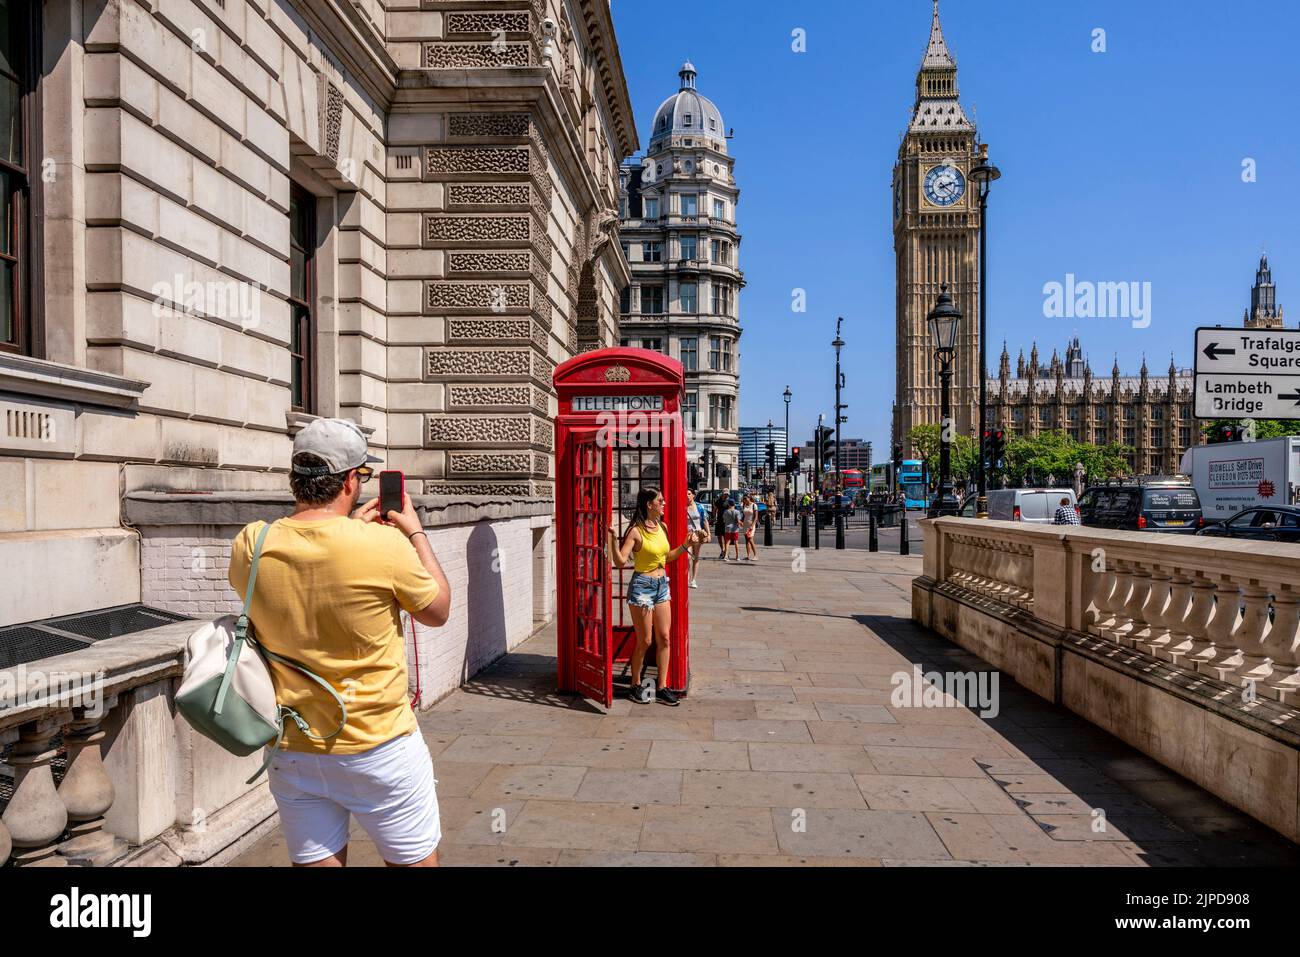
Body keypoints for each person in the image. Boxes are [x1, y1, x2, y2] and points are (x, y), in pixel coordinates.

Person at [228, 418, 452, 868]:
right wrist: (414, 531)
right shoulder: (383, 545)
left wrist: (349, 528)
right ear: (351, 480)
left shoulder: (252, 542)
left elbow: (307, 577)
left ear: (295, 477)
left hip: (293, 749)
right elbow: (437, 609)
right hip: (379, 745)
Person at [606, 487, 702, 705]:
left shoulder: (663, 527)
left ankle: (662, 686)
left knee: (665, 638)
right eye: (660, 500)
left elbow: (666, 558)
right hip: (642, 588)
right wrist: (612, 539)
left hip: (661, 586)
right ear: (650, 505)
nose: (664, 503)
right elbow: (620, 561)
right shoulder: (636, 531)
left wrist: (685, 545)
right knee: (645, 640)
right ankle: (635, 685)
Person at [684, 488, 708, 588]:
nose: (687, 496)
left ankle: (693, 580)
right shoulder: (683, 507)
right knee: (687, 557)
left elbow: (705, 520)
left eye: (689, 494)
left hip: (698, 533)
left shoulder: (699, 506)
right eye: (686, 494)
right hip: (687, 534)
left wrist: (708, 534)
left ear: (693, 495)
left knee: (695, 557)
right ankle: (687, 578)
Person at [723, 497, 742, 561]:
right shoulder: (737, 512)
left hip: (727, 528)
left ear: (728, 504)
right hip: (735, 529)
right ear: (734, 504)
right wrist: (741, 524)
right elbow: (738, 521)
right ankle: (737, 556)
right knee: (736, 542)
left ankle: (726, 556)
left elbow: (724, 520)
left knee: (727, 542)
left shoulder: (725, 511)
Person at [740, 493, 758, 562]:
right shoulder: (744, 505)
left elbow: (756, 517)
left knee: (750, 539)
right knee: (747, 540)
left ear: (749, 498)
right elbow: (743, 516)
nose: (744, 500)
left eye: (745, 499)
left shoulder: (754, 505)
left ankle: (756, 555)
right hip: (745, 524)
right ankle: (748, 555)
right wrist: (741, 521)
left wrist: (752, 525)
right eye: (743, 499)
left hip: (751, 524)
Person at [714, 492, 729, 561]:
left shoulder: (729, 501)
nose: (726, 495)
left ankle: (726, 551)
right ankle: (722, 550)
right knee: (719, 536)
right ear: (723, 494)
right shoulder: (718, 501)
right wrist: (714, 517)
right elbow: (715, 509)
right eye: (725, 494)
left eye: (727, 494)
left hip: (726, 521)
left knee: (726, 537)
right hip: (719, 520)